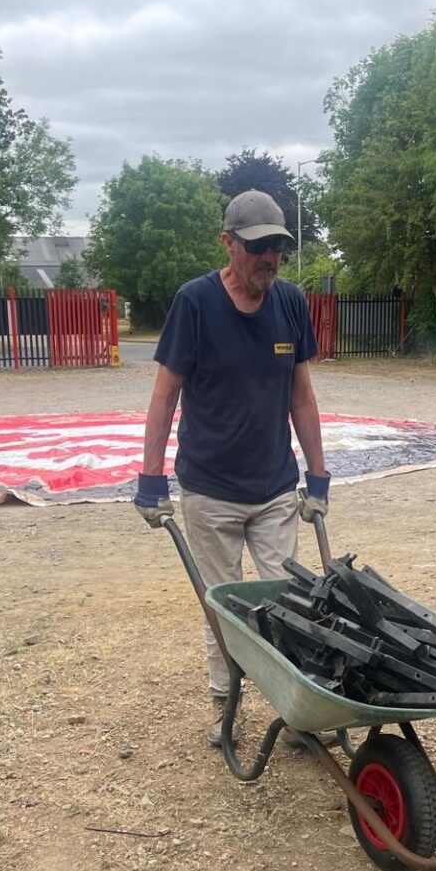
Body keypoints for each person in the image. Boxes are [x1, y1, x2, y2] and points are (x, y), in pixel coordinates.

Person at [134, 189, 330, 743]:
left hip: (273, 485)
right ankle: (227, 705)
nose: (269, 258)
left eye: (278, 248)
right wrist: (151, 478)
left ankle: (296, 710)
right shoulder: (195, 303)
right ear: (228, 243)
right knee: (224, 604)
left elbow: (302, 397)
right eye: (258, 246)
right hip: (210, 489)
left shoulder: (290, 302)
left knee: (288, 601)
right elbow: (165, 395)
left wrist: (317, 476)